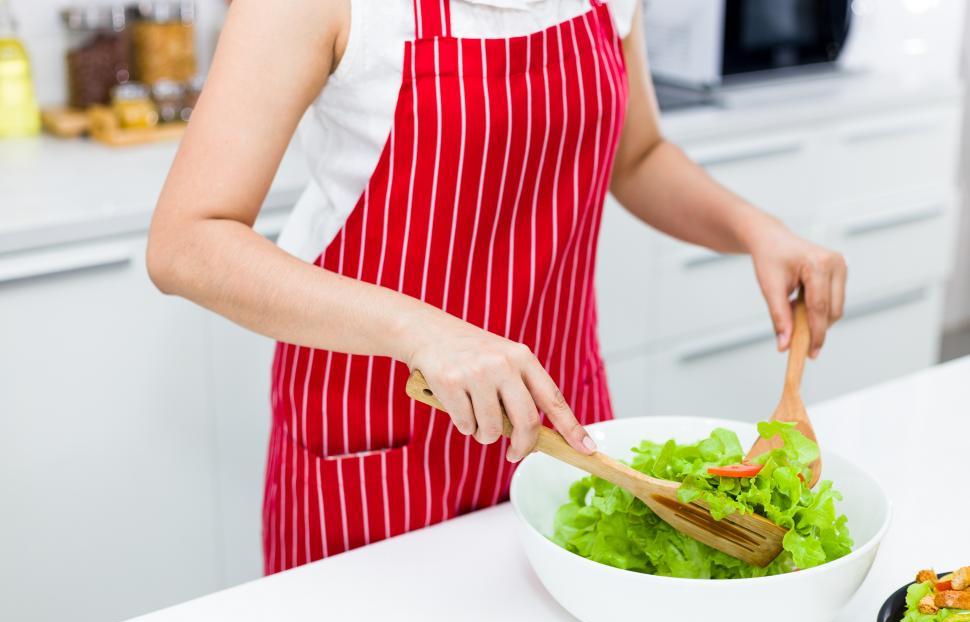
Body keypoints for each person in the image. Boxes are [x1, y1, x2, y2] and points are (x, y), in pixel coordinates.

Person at [146, 0, 847, 574]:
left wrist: (755, 229)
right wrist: (421, 331)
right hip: (376, 438)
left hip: (559, 424)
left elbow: (636, 156)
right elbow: (187, 242)